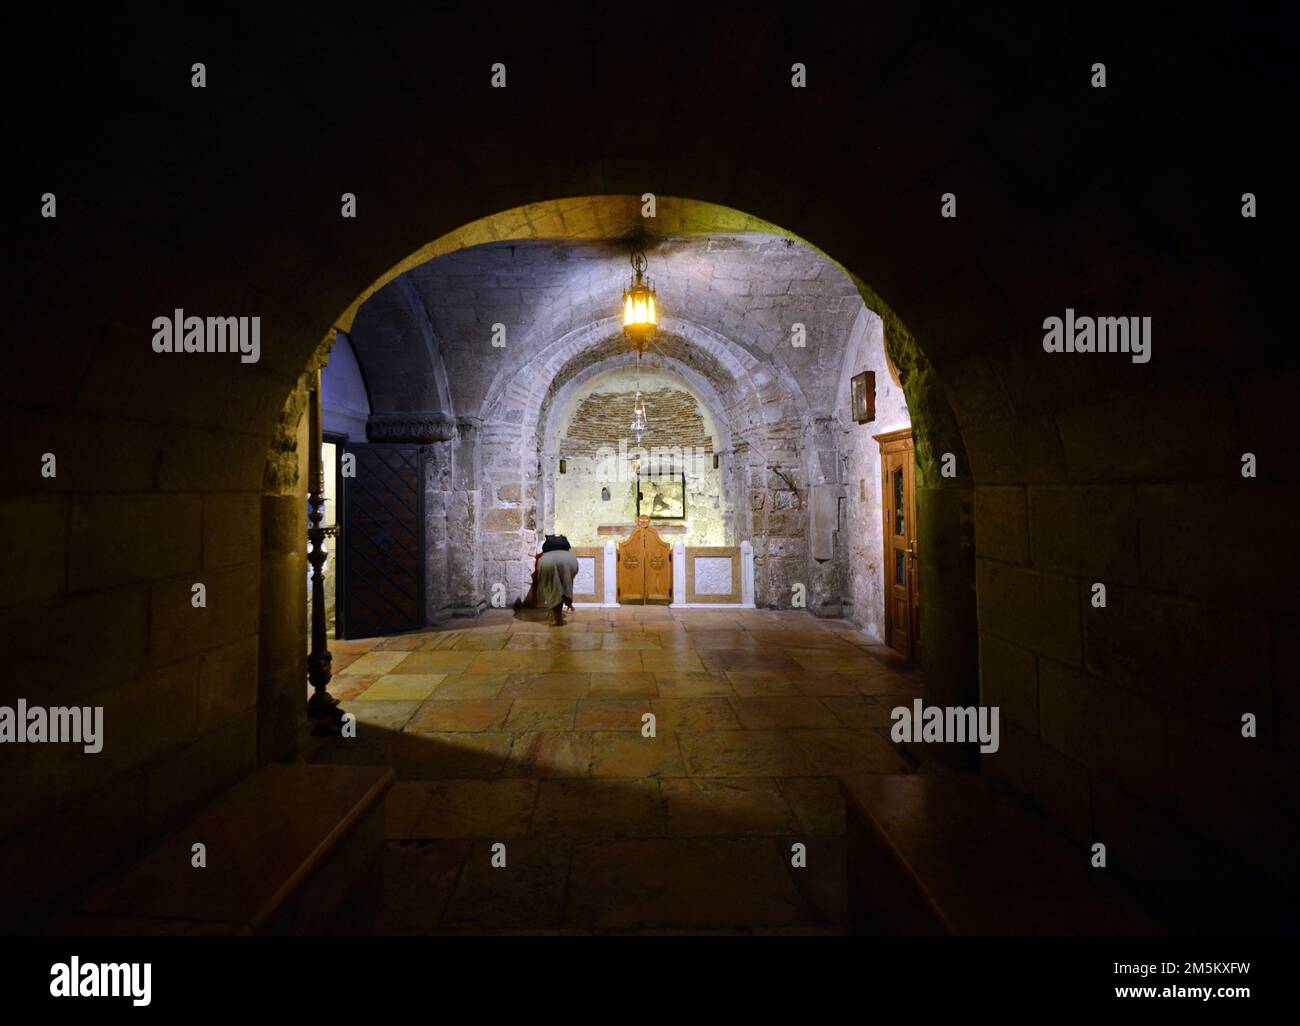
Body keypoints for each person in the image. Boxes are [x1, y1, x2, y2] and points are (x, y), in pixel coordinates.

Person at [534, 534, 578, 626]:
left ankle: (556, 618)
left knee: (553, 589)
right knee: (563, 588)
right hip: (569, 561)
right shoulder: (569, 554)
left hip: (546, 562)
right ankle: (558, 617)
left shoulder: (545, 555)